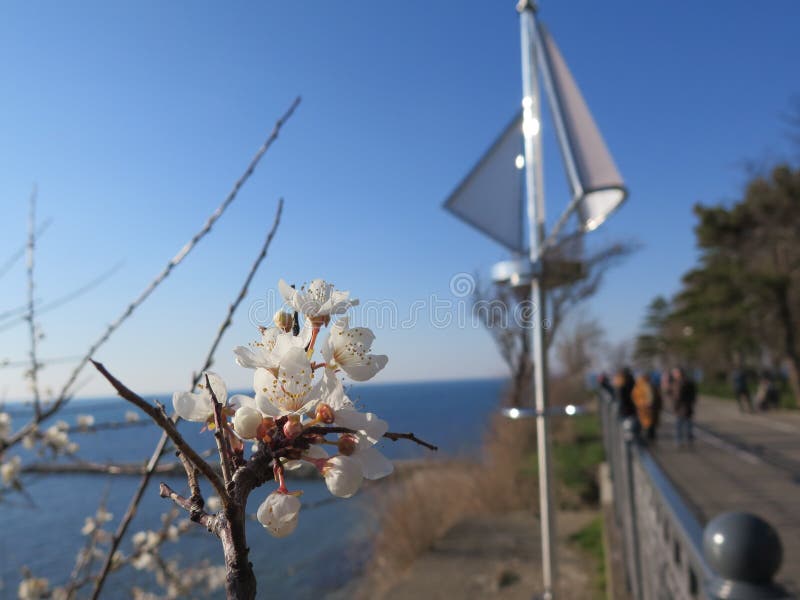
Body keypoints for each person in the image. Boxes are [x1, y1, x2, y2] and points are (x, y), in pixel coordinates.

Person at [674, 368, 697, 448]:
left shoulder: (681, 383)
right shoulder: (688, 382)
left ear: (679, 373)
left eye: (675, 373)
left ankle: (680, 441)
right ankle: (688, 441)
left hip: (682, 407)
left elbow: (678, 396)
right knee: (687, 425)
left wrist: (676, 405)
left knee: (680, 425)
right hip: (687, 406)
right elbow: (694, 395)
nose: (674, 375)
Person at [632, 374, 656, 441]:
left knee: (646, 423)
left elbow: (634, 396)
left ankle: (647, 437)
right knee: (647, 423)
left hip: (642, 407)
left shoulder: (638, 386)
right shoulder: (646, 386)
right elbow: (650, 398)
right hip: (645, 408)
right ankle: (648, 437)